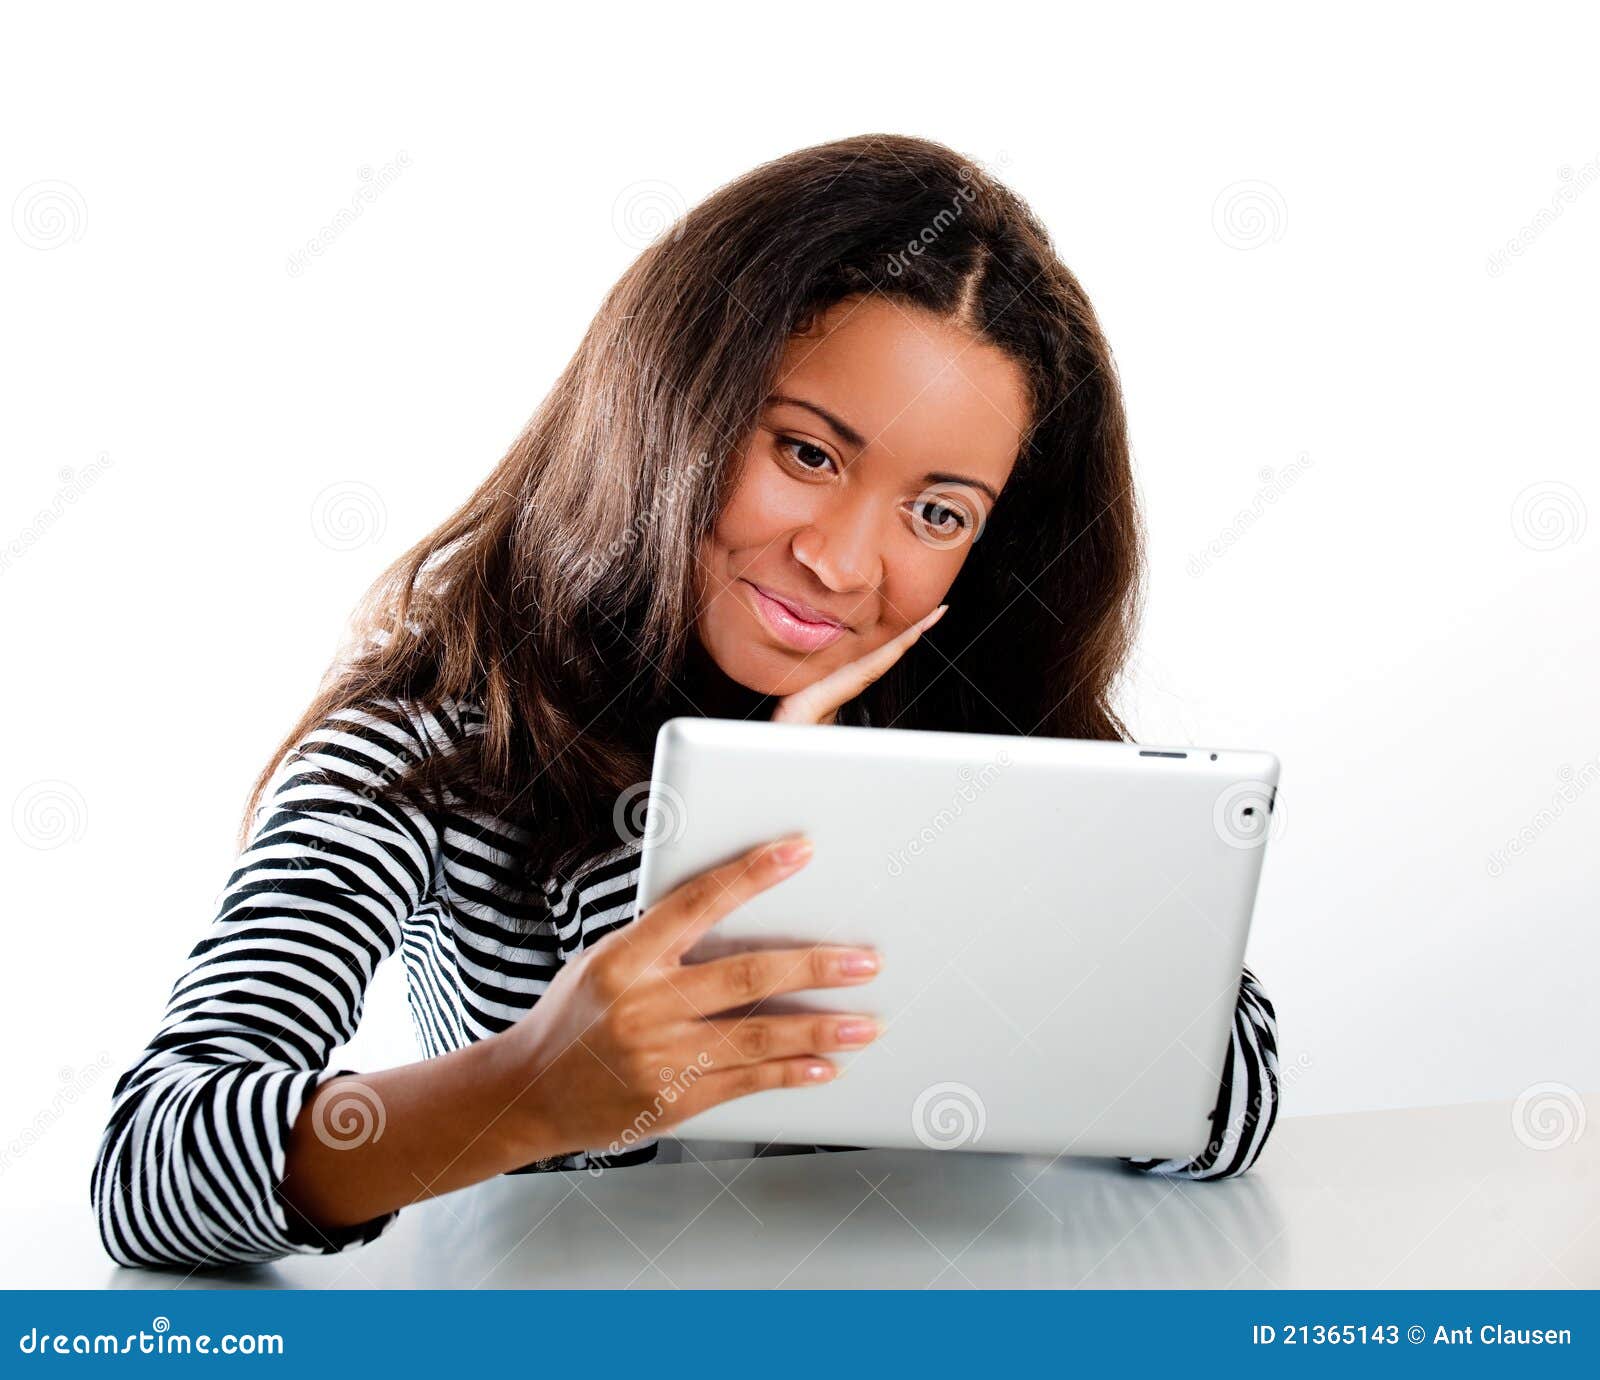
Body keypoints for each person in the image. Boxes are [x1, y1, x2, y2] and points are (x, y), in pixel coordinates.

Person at [90, 133, 1281, 1271]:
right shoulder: (426, 753)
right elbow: (151, 1173)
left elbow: (1226, 1109)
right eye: (808, 454)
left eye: (937, 512)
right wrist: (528, 1090)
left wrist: (899, 840)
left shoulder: (972, 741)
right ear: (672, 400)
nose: (845, 561)